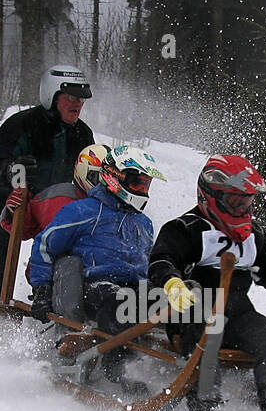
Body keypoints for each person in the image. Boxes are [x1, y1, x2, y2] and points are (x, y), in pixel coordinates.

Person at [147, 154, 266, 411]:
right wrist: (172, 283)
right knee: (207, 335)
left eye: (247, 203)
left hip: (238, 312)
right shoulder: (185, 229)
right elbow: (161, 260)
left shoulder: (254, 235)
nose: (243, 210)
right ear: (211, 196)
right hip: (192, 312)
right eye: (236, 203)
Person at [28, 145, 166, 395]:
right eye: (137, 184)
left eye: (146, 185)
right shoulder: (83, 211)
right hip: (96, 287)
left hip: (136, 288)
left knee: (179, 304)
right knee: (121, 303)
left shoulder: (143, 223)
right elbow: (46, 244)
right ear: (116, 177)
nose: (142, 191)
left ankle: (183, 368)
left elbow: (149, 261)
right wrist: (41, 289)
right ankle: (118, 368)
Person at [0, 63, 95, 316]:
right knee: (5, 238)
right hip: (5, 195)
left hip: (52, 200)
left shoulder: (83, 133)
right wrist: (14, 171)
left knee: (72, 240)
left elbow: (87, 173)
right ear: (52, 96)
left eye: (81, 99)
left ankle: (53, 303)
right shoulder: (20, 125)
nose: (78, 104)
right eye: (71, 98)